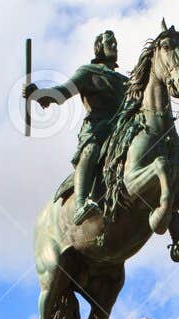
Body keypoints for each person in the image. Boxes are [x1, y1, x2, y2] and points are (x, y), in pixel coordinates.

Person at [26, 31, 127, 224]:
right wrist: (38, 94)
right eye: (110, 42)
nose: (114, 46)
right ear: (99, 47)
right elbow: (63, 92)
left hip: (121, 129)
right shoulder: (88, 72)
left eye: (116, 42)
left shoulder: (125, 80)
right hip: (97, 128)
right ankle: (81, 205)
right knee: (91, 150)